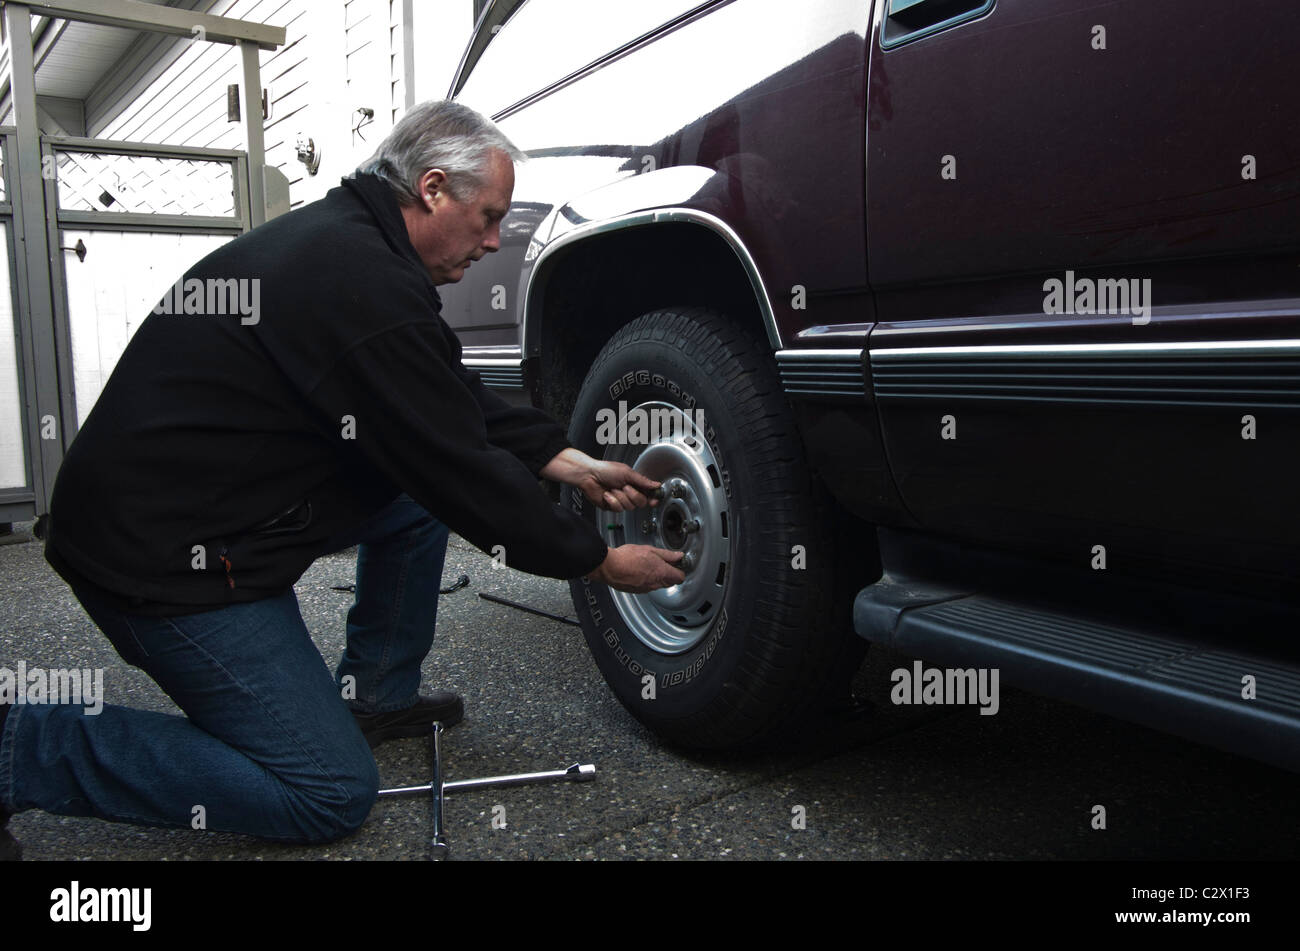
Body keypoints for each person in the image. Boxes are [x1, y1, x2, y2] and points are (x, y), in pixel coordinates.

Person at [0, 100, 685, 859]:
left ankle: (376, 696)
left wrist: (567, 460)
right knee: (325, 791)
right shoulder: (361, 281)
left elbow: (438, 391)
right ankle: (22, 743)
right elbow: (461, 472)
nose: (494, 242)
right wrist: (594, 560)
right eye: (488, 217)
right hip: (163, 559)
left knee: (411, 505)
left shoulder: (352, 246)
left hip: (207, 507)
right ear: (431, 189)